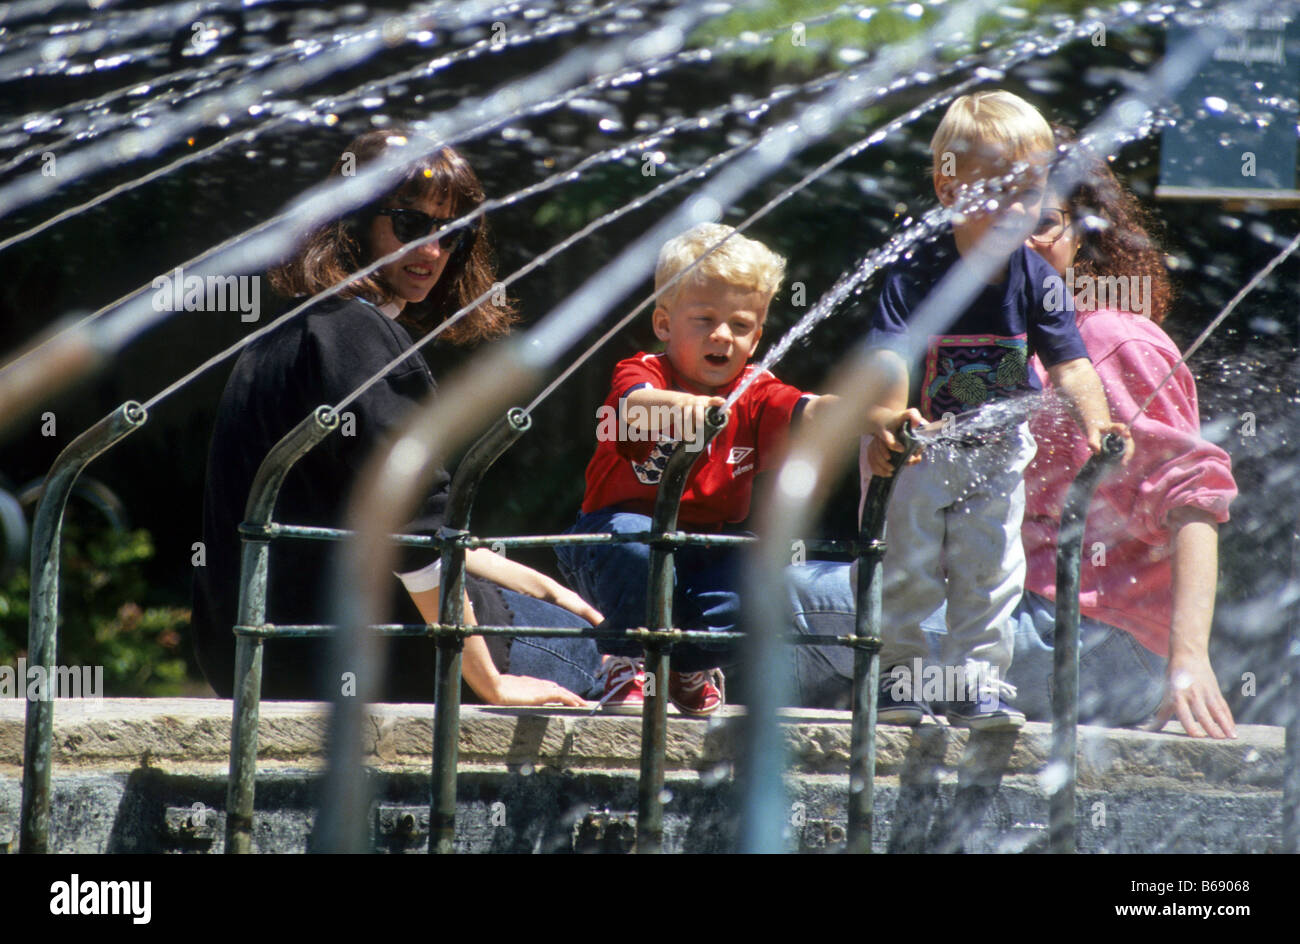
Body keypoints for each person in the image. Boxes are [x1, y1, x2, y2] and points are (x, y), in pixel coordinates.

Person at [192, 129, 603, 706]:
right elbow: (413, 532)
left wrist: (511, 571)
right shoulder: (357, 333)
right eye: (411, 225)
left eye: (453, 233)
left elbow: (390, 519)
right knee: (594, 649)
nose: (432, 251)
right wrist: (491, 682)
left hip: (256, 654)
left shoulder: (293, 331)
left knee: (559, 607)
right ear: (354, 221)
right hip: (343, 656)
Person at [859, 90, 1129, 731]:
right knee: (908, 571)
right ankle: (900, 682)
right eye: (999, 189)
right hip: (918, 454)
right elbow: (891, 356)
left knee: (993, 574)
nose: (1019, 206)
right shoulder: (917, 270)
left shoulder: (1036, 278)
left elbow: (1070, 363)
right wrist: (891, 419)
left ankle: (974, 686)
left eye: (1032, 188)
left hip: (999, 455)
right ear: (948, 190)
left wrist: (1098, 423)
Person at [1000, 125, 1239, 737]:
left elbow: (1195, 497)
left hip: (1092, 640)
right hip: (1034, 621)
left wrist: (1188, 661)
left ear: (1085, 232)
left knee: (796, 604)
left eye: (1041, 221)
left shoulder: (1107, 338)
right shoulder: (1000, 342)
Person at [556, 223, 846, 716]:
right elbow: (635, 405)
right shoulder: (644, 370)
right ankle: (626, 662)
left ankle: (688, 664)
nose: (721, 335)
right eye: (704, 319)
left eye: (739, 324)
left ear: (757, 338)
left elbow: (804, 408)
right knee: (637, 545)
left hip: (703, 549)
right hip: (610, 543)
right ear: (665, 324)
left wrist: (866, 413)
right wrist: (686, 407)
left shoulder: (755, 391)